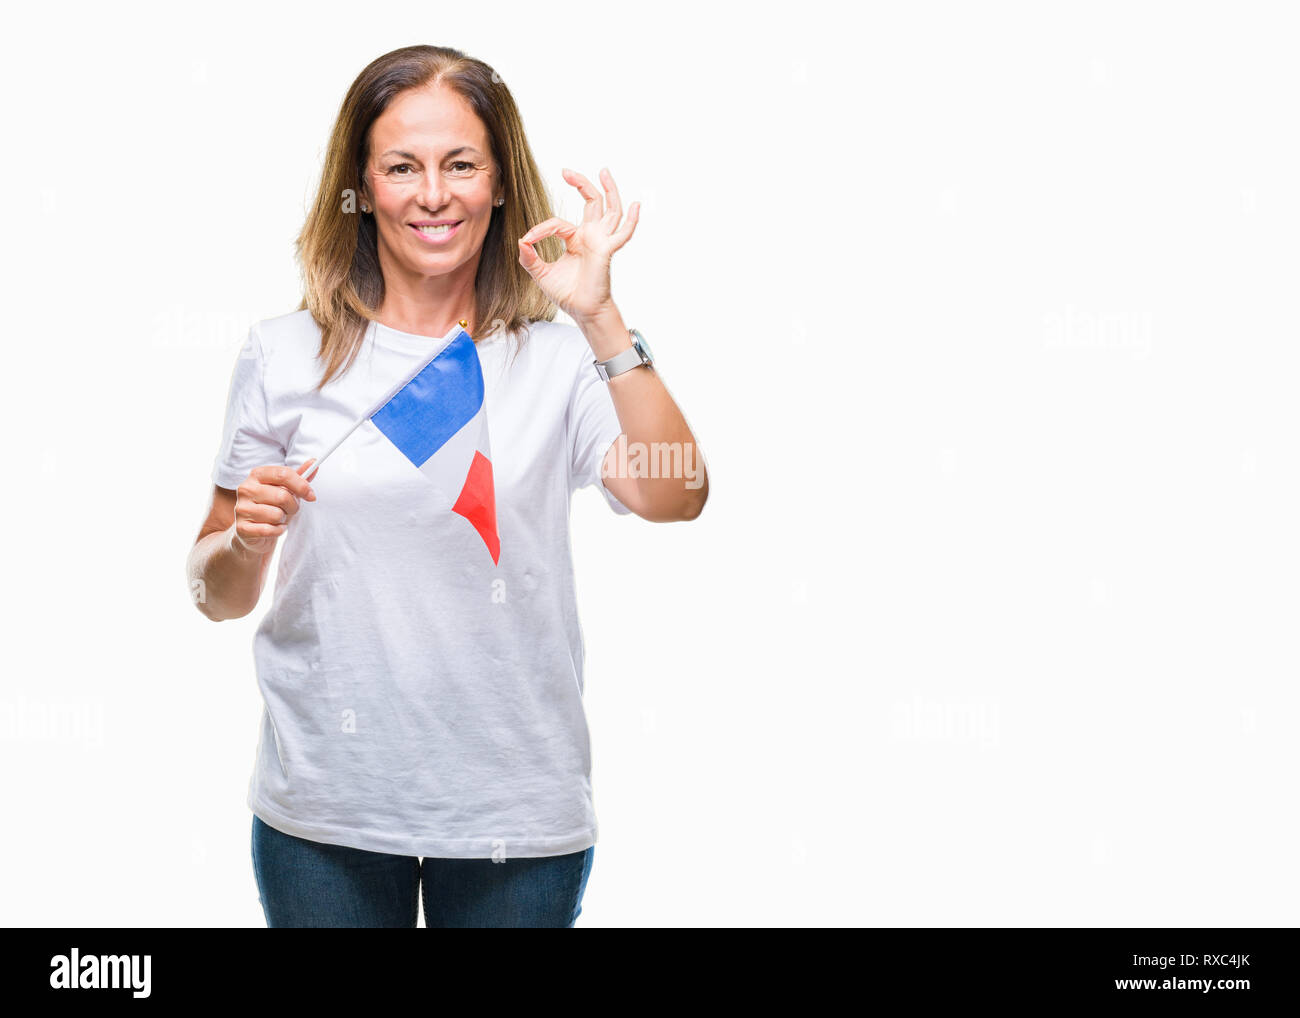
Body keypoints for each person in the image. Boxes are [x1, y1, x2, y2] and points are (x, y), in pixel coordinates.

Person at [185, 44, 709, 928]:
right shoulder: (280, 353)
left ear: (500, 183)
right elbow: (213, 596)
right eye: (402, 167)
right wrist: (244, 544)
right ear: (361, 186)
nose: (434, 194)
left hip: (517, 812)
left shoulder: (561, 357)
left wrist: (600, 319)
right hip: (325, 812)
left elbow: (677, 493)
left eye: (461, 164)